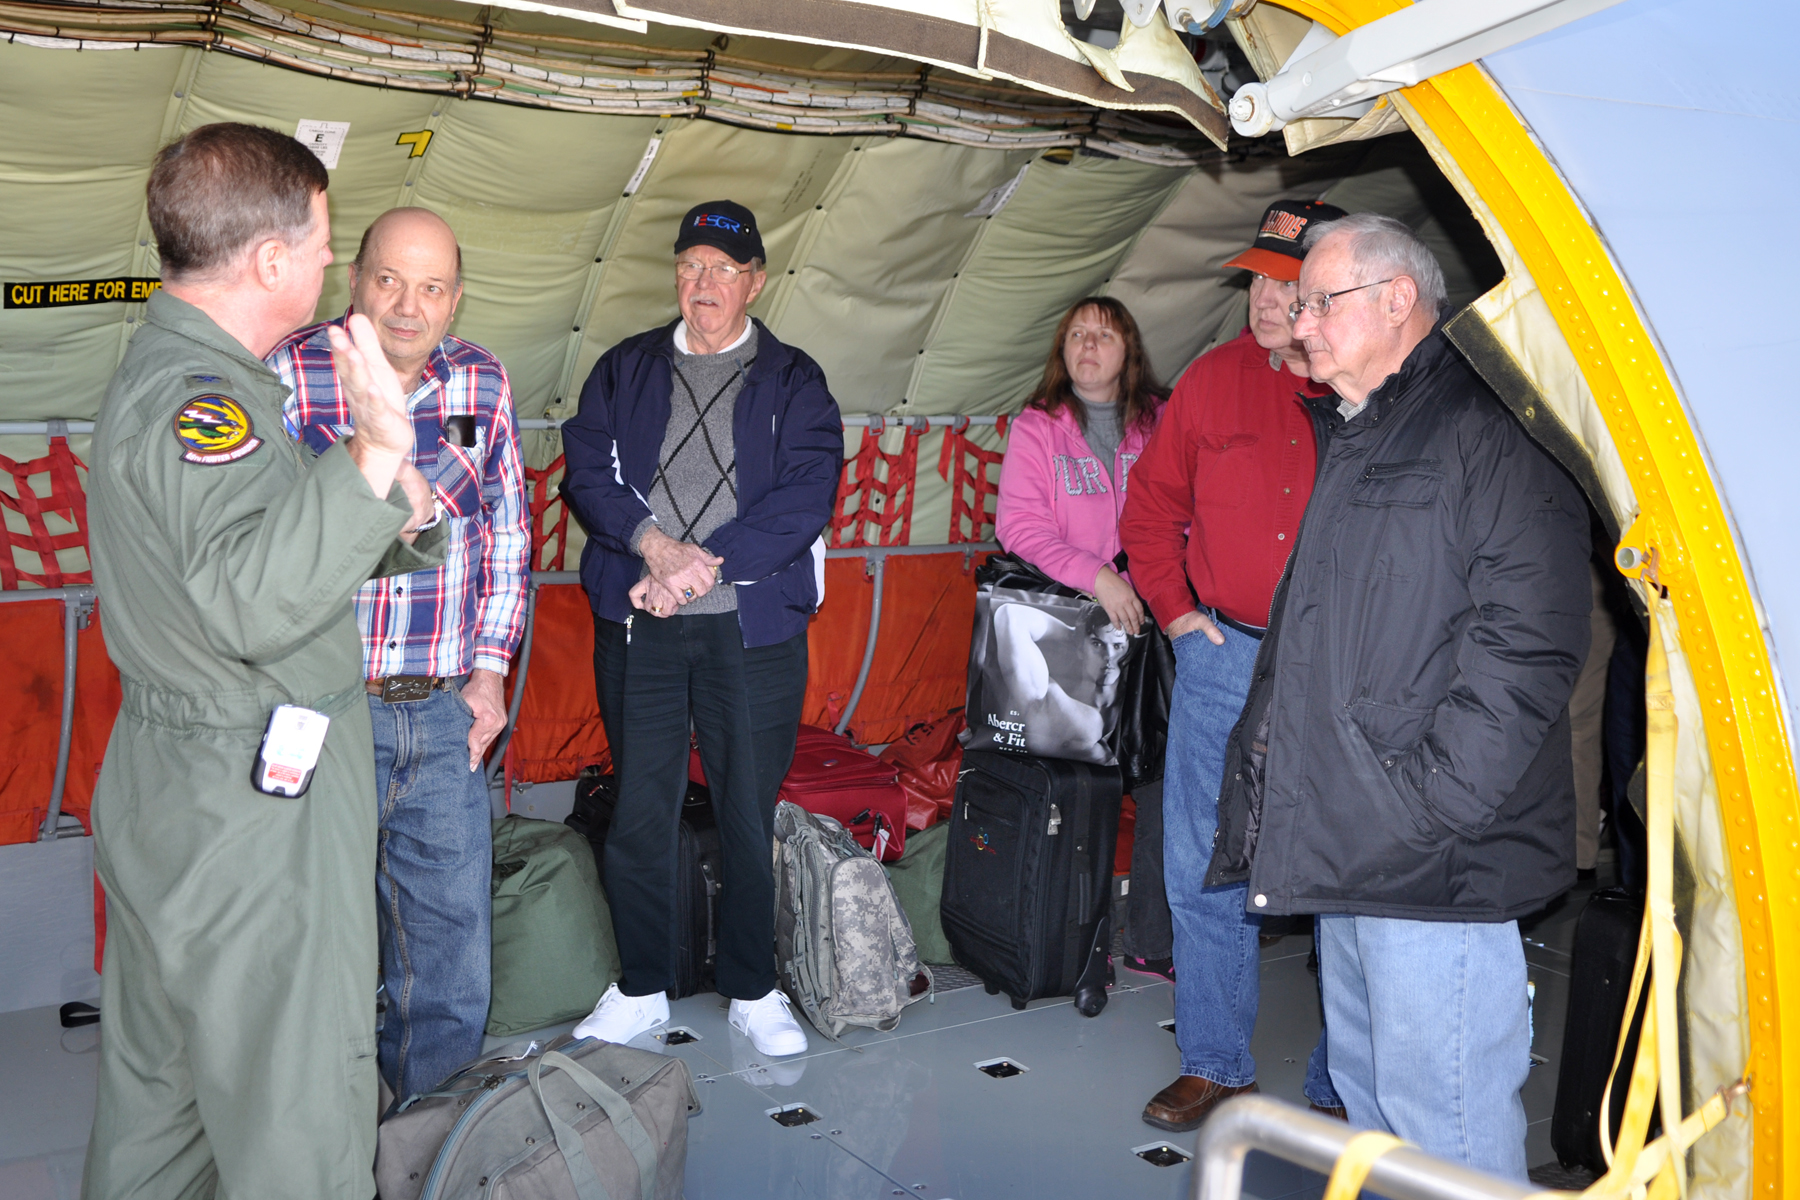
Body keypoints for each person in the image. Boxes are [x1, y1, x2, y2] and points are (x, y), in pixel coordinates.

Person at [83, 123, 441, 1200]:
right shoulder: (206, 408)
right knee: (296, 1104)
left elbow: (235, 552)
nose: (334, 266)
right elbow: (250, 595)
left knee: (169, 1109)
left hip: (184, 797)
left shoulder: (188, 379)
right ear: (270, 261)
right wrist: (377, 448)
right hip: (253, 819)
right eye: (326, 245)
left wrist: (393, 502)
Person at [1209, 212, 1590, 1178]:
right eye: (1298, 308)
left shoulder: (1488, 427)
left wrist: (1428, 804)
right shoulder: (1362, 430)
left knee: (1446, 1137)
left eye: (1318, 304)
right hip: (1352, 840)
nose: (1300, 327)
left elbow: (1531, 640)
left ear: (1397, 299)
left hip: (1432, 866)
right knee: (1377, 1122)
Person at [560, 200, 843, 1057]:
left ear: (755, 281)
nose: (703, 284)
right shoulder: (625, 368)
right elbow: (588, 470)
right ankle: (641, 986)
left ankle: (754, 988)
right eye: (690, 266)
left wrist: (698, 566)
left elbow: (803, 500)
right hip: (641, 620)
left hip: (748, 630)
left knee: (747, 807)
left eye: (722, 269)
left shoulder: (795, 381)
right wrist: (651, 547)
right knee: (639, 805)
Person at [268, 207, 530, 1103]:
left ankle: (430, 1148)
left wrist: (490, 677)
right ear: (355, 281)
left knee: (451, 957)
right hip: (324, 712)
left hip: (442, 711)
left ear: (456, 299)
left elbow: (504, 542)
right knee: (318, 946)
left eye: (430, 287)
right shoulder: (291, 375)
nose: (407, 306)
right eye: (389, 280)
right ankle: (328, 1152)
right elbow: (262, 548)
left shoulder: (484, 387)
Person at [1118, 199, 1348, 1131]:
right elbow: (1149, 510)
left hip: (1336, 673)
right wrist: (1176, 617)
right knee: (1203, 866)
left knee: (1344, 877)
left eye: (1288, 284)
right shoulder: (1211, 382)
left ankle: (1344, 1083)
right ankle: (1216, 1063)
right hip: (1223, 659)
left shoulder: (1371, 392)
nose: (1266, 298)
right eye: (1258, 277)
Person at [993, 296, 1170, 966]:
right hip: (1073, 628)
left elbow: (1185, 510)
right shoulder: (1040, 427)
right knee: (1080, 786)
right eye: (1076, 335)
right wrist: (1098, 575)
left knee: (1159, 783)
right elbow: (1021, 527)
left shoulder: (1160, 422)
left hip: (1155, 629)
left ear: (1130, 350)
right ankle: (1065, 941)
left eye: (1103, 334)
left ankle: (1153, 940)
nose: (1088, 346)